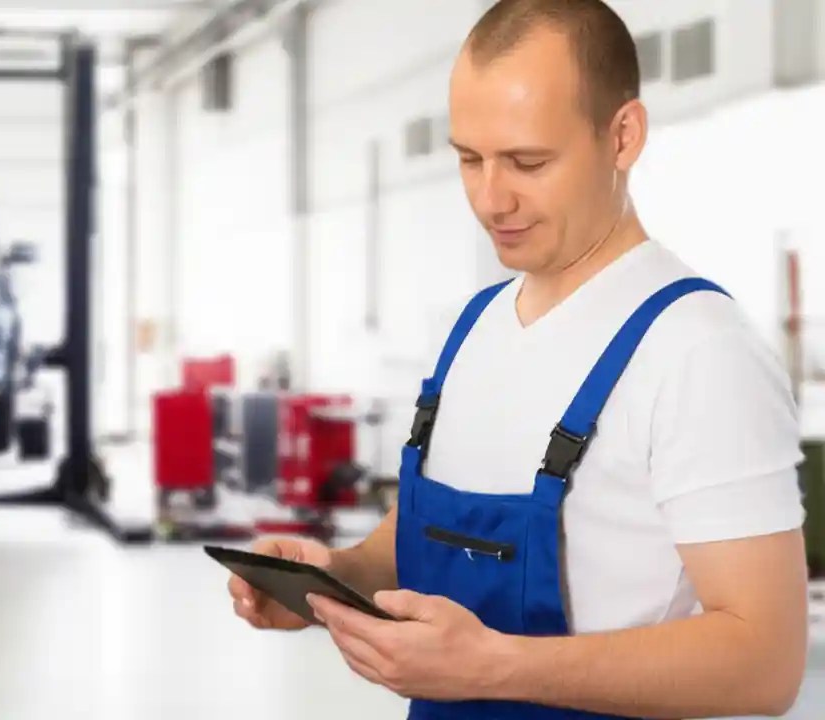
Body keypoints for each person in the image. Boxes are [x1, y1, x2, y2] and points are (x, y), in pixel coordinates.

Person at [226, 1, 809, 718]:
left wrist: (494, 667)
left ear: (623, 136)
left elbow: (765, 661)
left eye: (528, 162)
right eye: (469, 159)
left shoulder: (698, 351)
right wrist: (335, 579)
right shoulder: (475, 328)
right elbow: (431, 533)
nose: (490, 198)